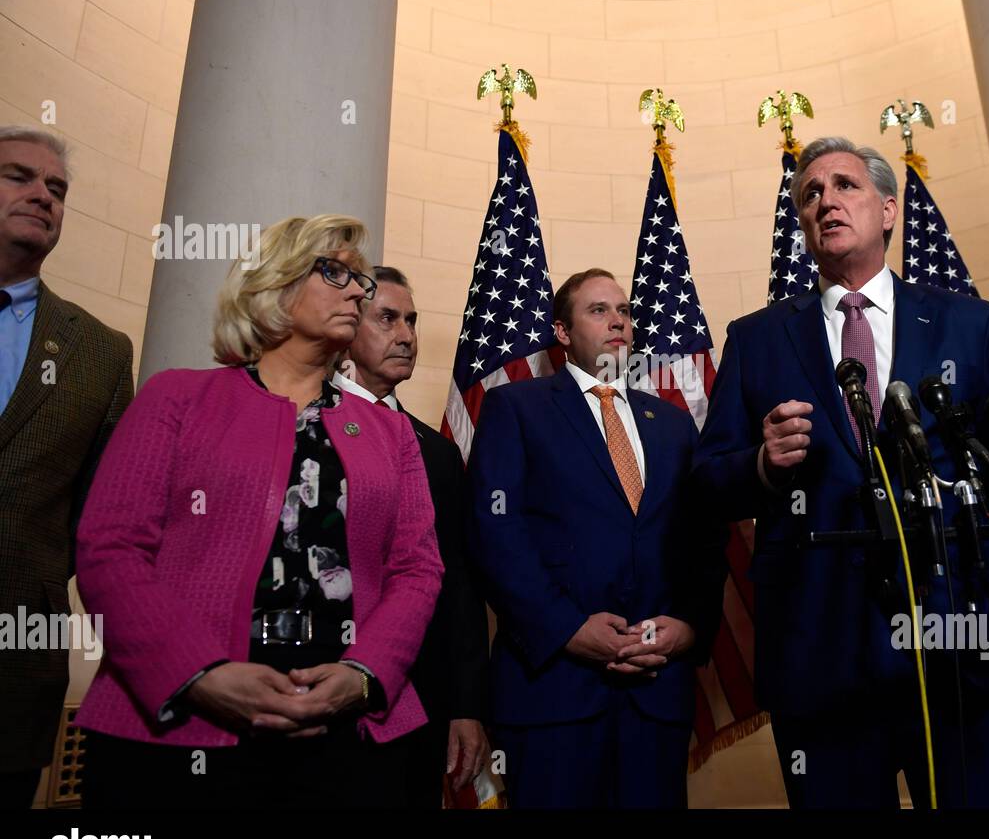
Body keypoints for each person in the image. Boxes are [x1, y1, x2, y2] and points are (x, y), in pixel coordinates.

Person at [694, 136, 989, 808]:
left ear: (888, 210)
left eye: (844, 185)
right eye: (811, 194)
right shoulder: (757, 339)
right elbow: (707, 480)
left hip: (958, 641)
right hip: (821, 653)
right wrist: (761, 463)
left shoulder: (969, 325)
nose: (826, 202)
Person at [74, 214, 442, 808]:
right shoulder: (177, 397)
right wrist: (198, 672)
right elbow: (109, 548)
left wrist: (364, 674)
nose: (357, 291)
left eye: (361, 282)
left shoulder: (391, 434)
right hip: (182, 725)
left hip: (346, 722)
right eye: (336, 274)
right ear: (276, 281)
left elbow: (417, 569)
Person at [467, 269, 723, 808]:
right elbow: (497, 533)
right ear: (562, 331)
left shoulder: (673, 425)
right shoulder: (518, 408)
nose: (619, 324)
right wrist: (568, 630)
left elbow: (703, 539)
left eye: (625, 312)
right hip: (554, 691)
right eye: (599, 310)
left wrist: (689, 626)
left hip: (656, 693)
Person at [0, 126, 133, 808]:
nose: (41, 196)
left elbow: (100, 513)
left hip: (14, 664)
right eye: (19, 177)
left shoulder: (101, 353)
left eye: (56, 189)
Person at [335, 265, 490, 805]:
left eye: (412, 320)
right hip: (311, 695)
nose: (406, 335)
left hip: (417, 701)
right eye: (387, 319)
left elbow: (459, 586)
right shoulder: (299, 421)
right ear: (346, 327)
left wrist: (467, 705)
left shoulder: (438, 454)